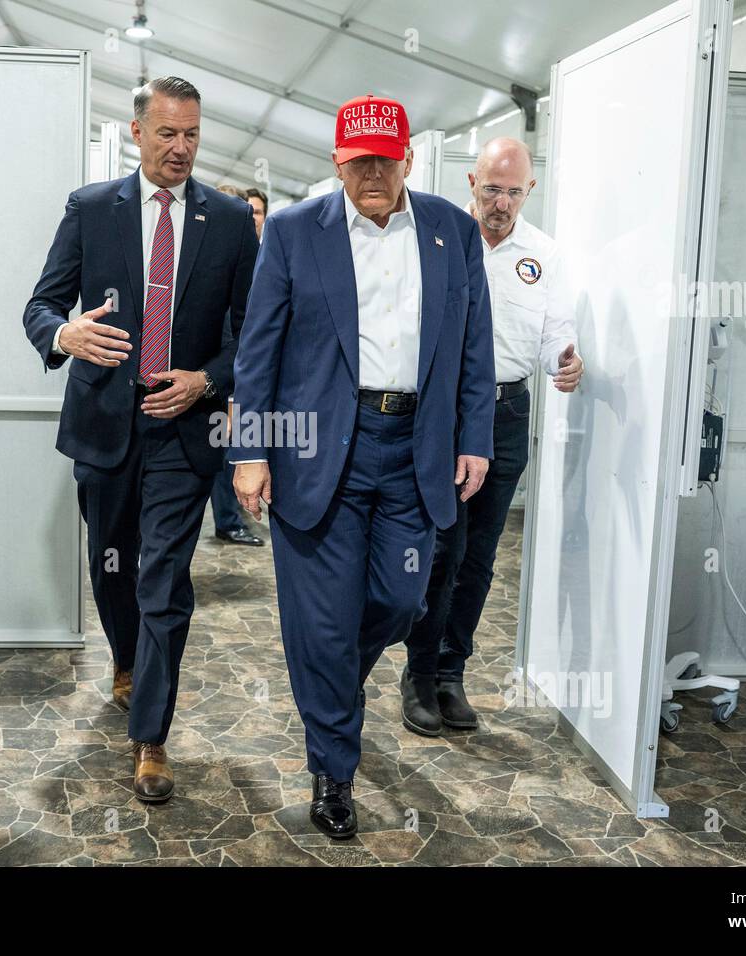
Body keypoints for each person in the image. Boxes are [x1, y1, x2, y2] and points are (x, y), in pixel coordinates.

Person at [230, 94, 495, 839]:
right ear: (337, 162)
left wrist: (474, 437)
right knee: (320, 622)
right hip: (316, 455)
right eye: (358, 160)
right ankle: (332, 770)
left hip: (416, 450)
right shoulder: (291, 233)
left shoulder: (451, 231)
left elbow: (474, 345)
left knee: (401, 598)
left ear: (408, 157)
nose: (372, 173)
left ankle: (330, 694)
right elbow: (259, 353)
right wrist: (249, 450)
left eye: (385, 158)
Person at [22, 77, 258, 803]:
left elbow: (249, 334)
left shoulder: (229, 221)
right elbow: (40, 304)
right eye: (167, 134)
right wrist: (65, 333)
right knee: (113, 567)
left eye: (191, 135)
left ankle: (151, 738)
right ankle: (126, 662)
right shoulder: (93, 209)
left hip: (181, 435)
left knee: (164, 582)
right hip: (103, 428)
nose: (181, 148)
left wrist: (207, 381)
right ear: (137, 132)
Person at [400, 136, 583, 736]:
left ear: (529, 191)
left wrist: (570, 361)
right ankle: (419, 674)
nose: (500, 202)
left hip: (507, 413)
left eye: (513, 191)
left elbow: (558, 334)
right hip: (444, 414)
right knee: (442, 552)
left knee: (480, 557)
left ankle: (452, 673)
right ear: (470, 185)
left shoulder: (545, 256)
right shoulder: (438, 241)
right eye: (491, 188)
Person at [207, 184, 264, 547]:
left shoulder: (265, 252)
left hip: (246, 368)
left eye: (256, 212)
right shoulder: (222, 254)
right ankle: (228, 519)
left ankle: (233, 515)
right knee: (224, 442)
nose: (250, 217)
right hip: (227, 366)